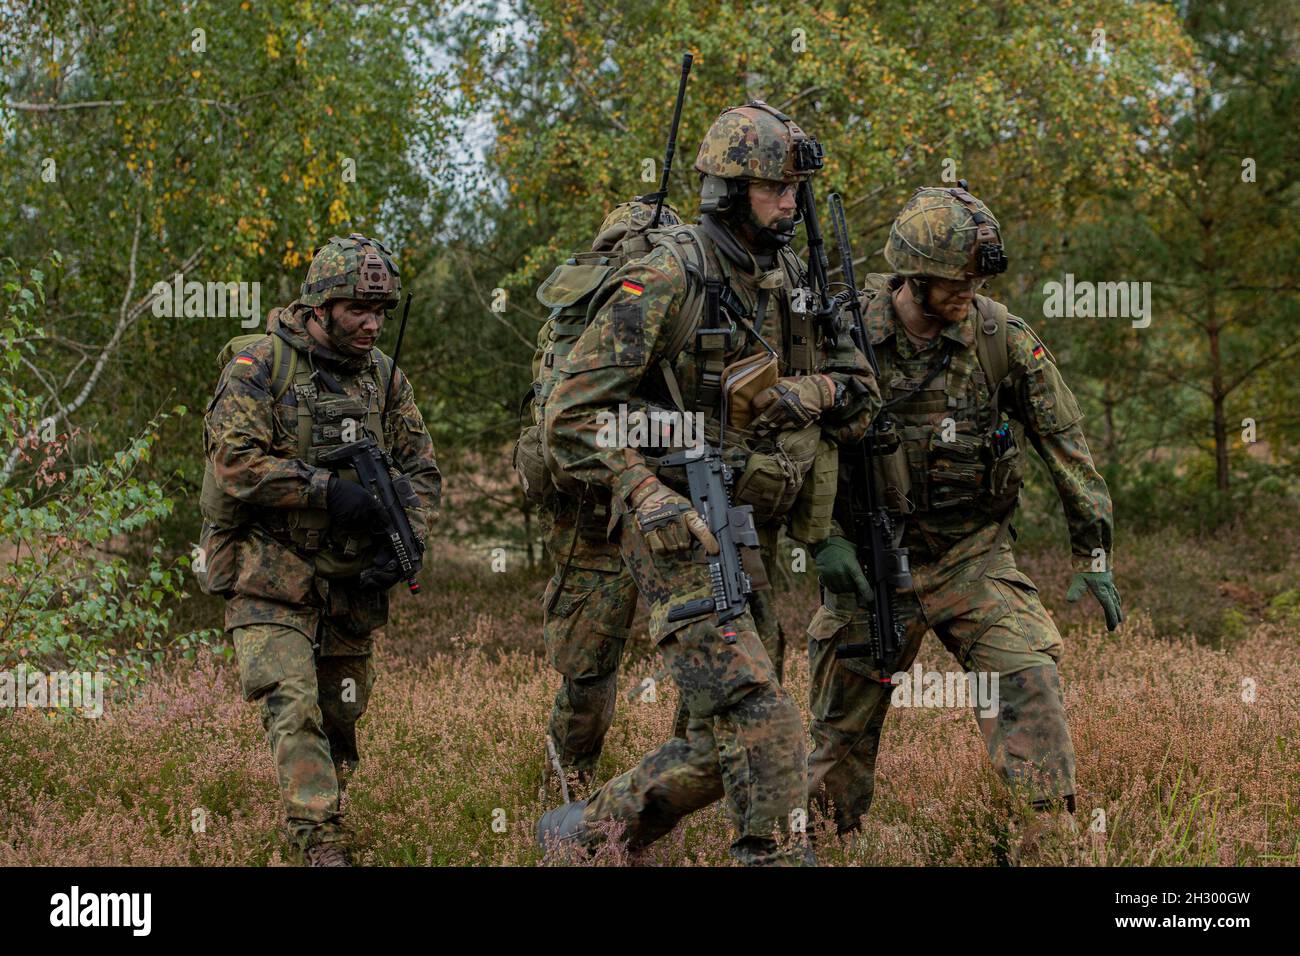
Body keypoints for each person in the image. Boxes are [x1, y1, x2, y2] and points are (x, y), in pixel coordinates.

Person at [537, 102, 879, 865]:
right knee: (761, 710)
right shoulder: (667, 274)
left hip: (739, 519)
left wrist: (808, 393)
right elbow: (570, 411)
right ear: (727, 189)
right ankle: (773, 856)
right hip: (666, 519)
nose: (789, 204)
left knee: (711, 735)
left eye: (796, 190)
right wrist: (642, 490)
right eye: (773, 189)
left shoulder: (794, 277)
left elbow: (858, 392)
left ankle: (584, 835)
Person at [806, 185, 1122, 860]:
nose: (968, 291)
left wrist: (1094, 549)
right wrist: (821, 538)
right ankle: (828, 846)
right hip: (869, 561)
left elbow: (1064, 442)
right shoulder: (845, 339)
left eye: (978, 279)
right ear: (913, 276)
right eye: (956, 280)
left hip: (971, 556)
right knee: (836, 737)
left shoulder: (997, 337)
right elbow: (800, 445)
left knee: (1027, 673)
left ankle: (1047, 841)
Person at [198, 233, 441, 866]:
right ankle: (320, 843)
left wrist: (408, 536)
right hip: (265, 567)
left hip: (348, 578)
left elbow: (422, 472)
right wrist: (326, 490)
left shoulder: (386, 379)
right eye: (358, 309)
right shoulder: (258, 368)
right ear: (319, 306)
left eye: (381, 312)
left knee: (340, 715)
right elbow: (233, 463)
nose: (371, 324)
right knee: (293, 702)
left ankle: (326, 801)